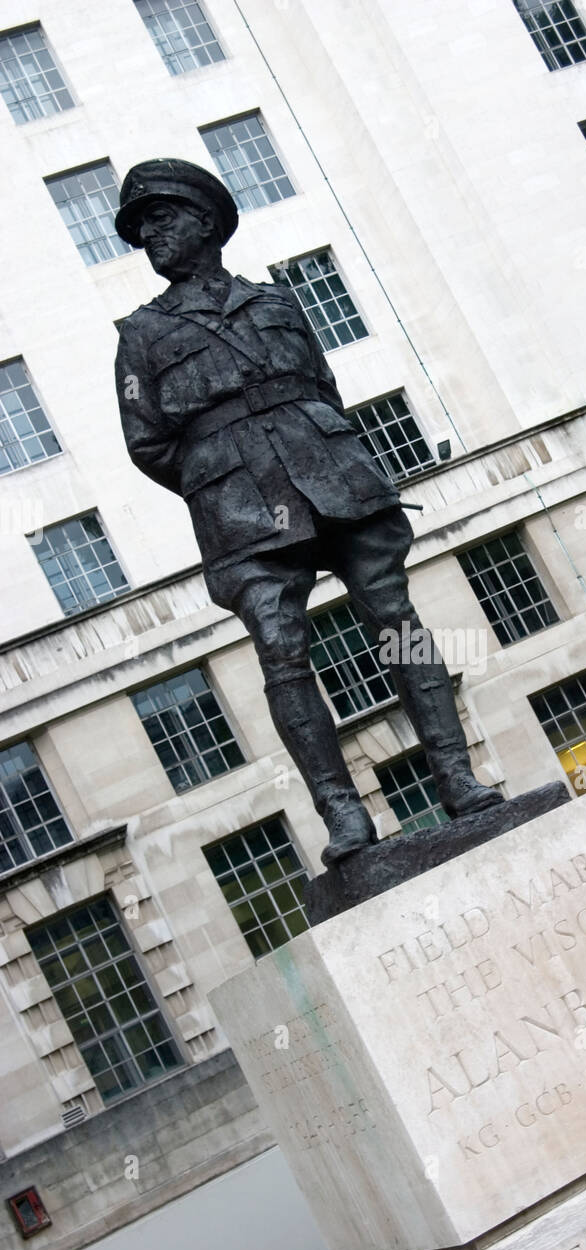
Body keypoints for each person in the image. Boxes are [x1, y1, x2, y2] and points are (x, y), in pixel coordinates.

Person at [114, 158, 501, 868]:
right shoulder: (140, 334)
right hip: (237, 506)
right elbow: (148, 444)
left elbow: (323, 387)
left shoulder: (278, 302)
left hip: (331, 475)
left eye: (161, 219)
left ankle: (457, 776)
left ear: (205, 222)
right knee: (282, 653)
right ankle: (344, 815)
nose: (149, 237)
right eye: (140, 229)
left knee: (397, 623)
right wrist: (221, 473)